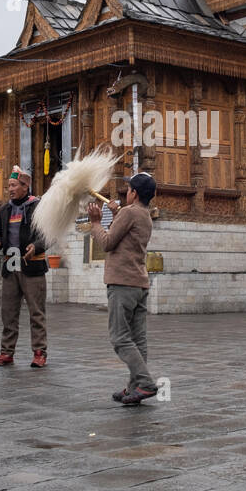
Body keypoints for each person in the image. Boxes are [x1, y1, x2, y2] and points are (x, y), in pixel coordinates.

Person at [87, 173, 158, 406]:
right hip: (139, 283)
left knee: (120, 338)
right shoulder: (145, 215)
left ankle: (145, 383)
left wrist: (96, 222)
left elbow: (107, 242)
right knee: (138, 340)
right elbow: (127, 232)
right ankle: (134, 387)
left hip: (122, 284)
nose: (125, 192)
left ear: (134, 193)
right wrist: (116, 212)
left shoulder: (129, 212)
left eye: (128, 189)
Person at [0, 166, 49, 368]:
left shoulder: (38, 207)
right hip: (10, 265)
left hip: (32, 266)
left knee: (36, 312)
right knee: (8, 312)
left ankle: (39, 352)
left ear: (25, 186)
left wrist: (36, 246)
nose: (10, 189)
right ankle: (6, 352)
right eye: (8, 186)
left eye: (14, 185)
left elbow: (47, 234)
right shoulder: (5, 209)